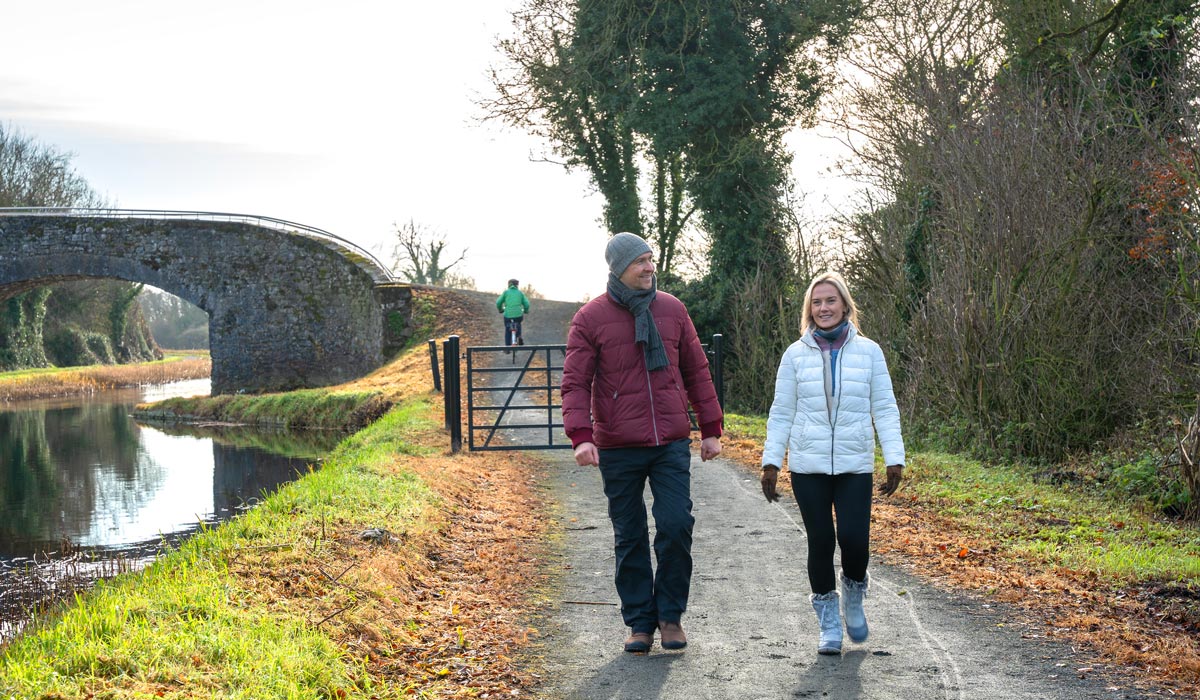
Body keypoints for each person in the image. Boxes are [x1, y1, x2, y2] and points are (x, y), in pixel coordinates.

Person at [561, 232, 724, 654]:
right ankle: (640, 622)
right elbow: (575, 382)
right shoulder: (590, 318)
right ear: (619, 268)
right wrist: (581, 436)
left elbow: (697, 370)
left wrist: (710, 428)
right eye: (641, 262)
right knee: (629, 535)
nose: (650, 267)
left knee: (675, 525)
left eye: (651, 260)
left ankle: (670, 617)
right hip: (617, 445)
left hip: (669, 440)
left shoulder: (672, 309)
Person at [760, 270, 905, 656]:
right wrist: (771, 462)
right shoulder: (794, 354)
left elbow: (885, 407)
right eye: (817, 302)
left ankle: (854, 597)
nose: (823, 308)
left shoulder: (870, 351)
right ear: (809, 308)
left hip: (855, 463)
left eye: (830, 300)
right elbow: (781, 410)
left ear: (845, 305)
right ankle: (827, 621)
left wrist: (894, 458)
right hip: (808, 465)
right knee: (821, 541)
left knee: (854, 541)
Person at [495, 278, 530, 349]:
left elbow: (498, 302)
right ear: (517, 285)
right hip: (518, 315)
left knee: (507, 329)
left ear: (509, 284)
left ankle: (507, 348)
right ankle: (519, 336)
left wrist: (500, 310)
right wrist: (526, 311)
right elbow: (527, 304)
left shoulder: (506, 292)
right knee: (518, 323)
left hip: (508, 315)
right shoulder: (520, 293)